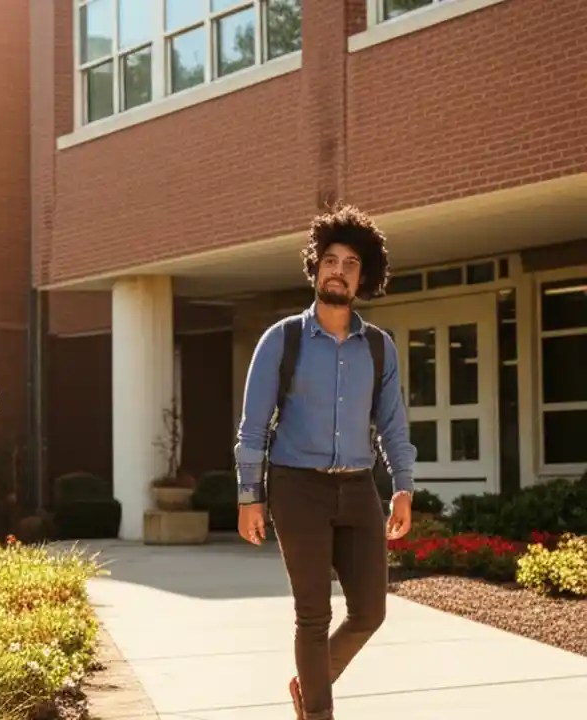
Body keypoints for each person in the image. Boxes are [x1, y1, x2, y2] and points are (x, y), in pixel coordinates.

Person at [234, 205, 416, 720]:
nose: (339, 269)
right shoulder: (282, 340)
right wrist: (251, 496)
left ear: (365, 276)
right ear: (316, 267)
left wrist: (403, 485)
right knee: (312, 616)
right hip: (297, 489)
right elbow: (253, 426)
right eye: (330, 259)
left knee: (370, 611)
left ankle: (312, 682)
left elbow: (393, 425)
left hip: (359, 488)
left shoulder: (378, 348)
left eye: (351, 263)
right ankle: (318, 713)